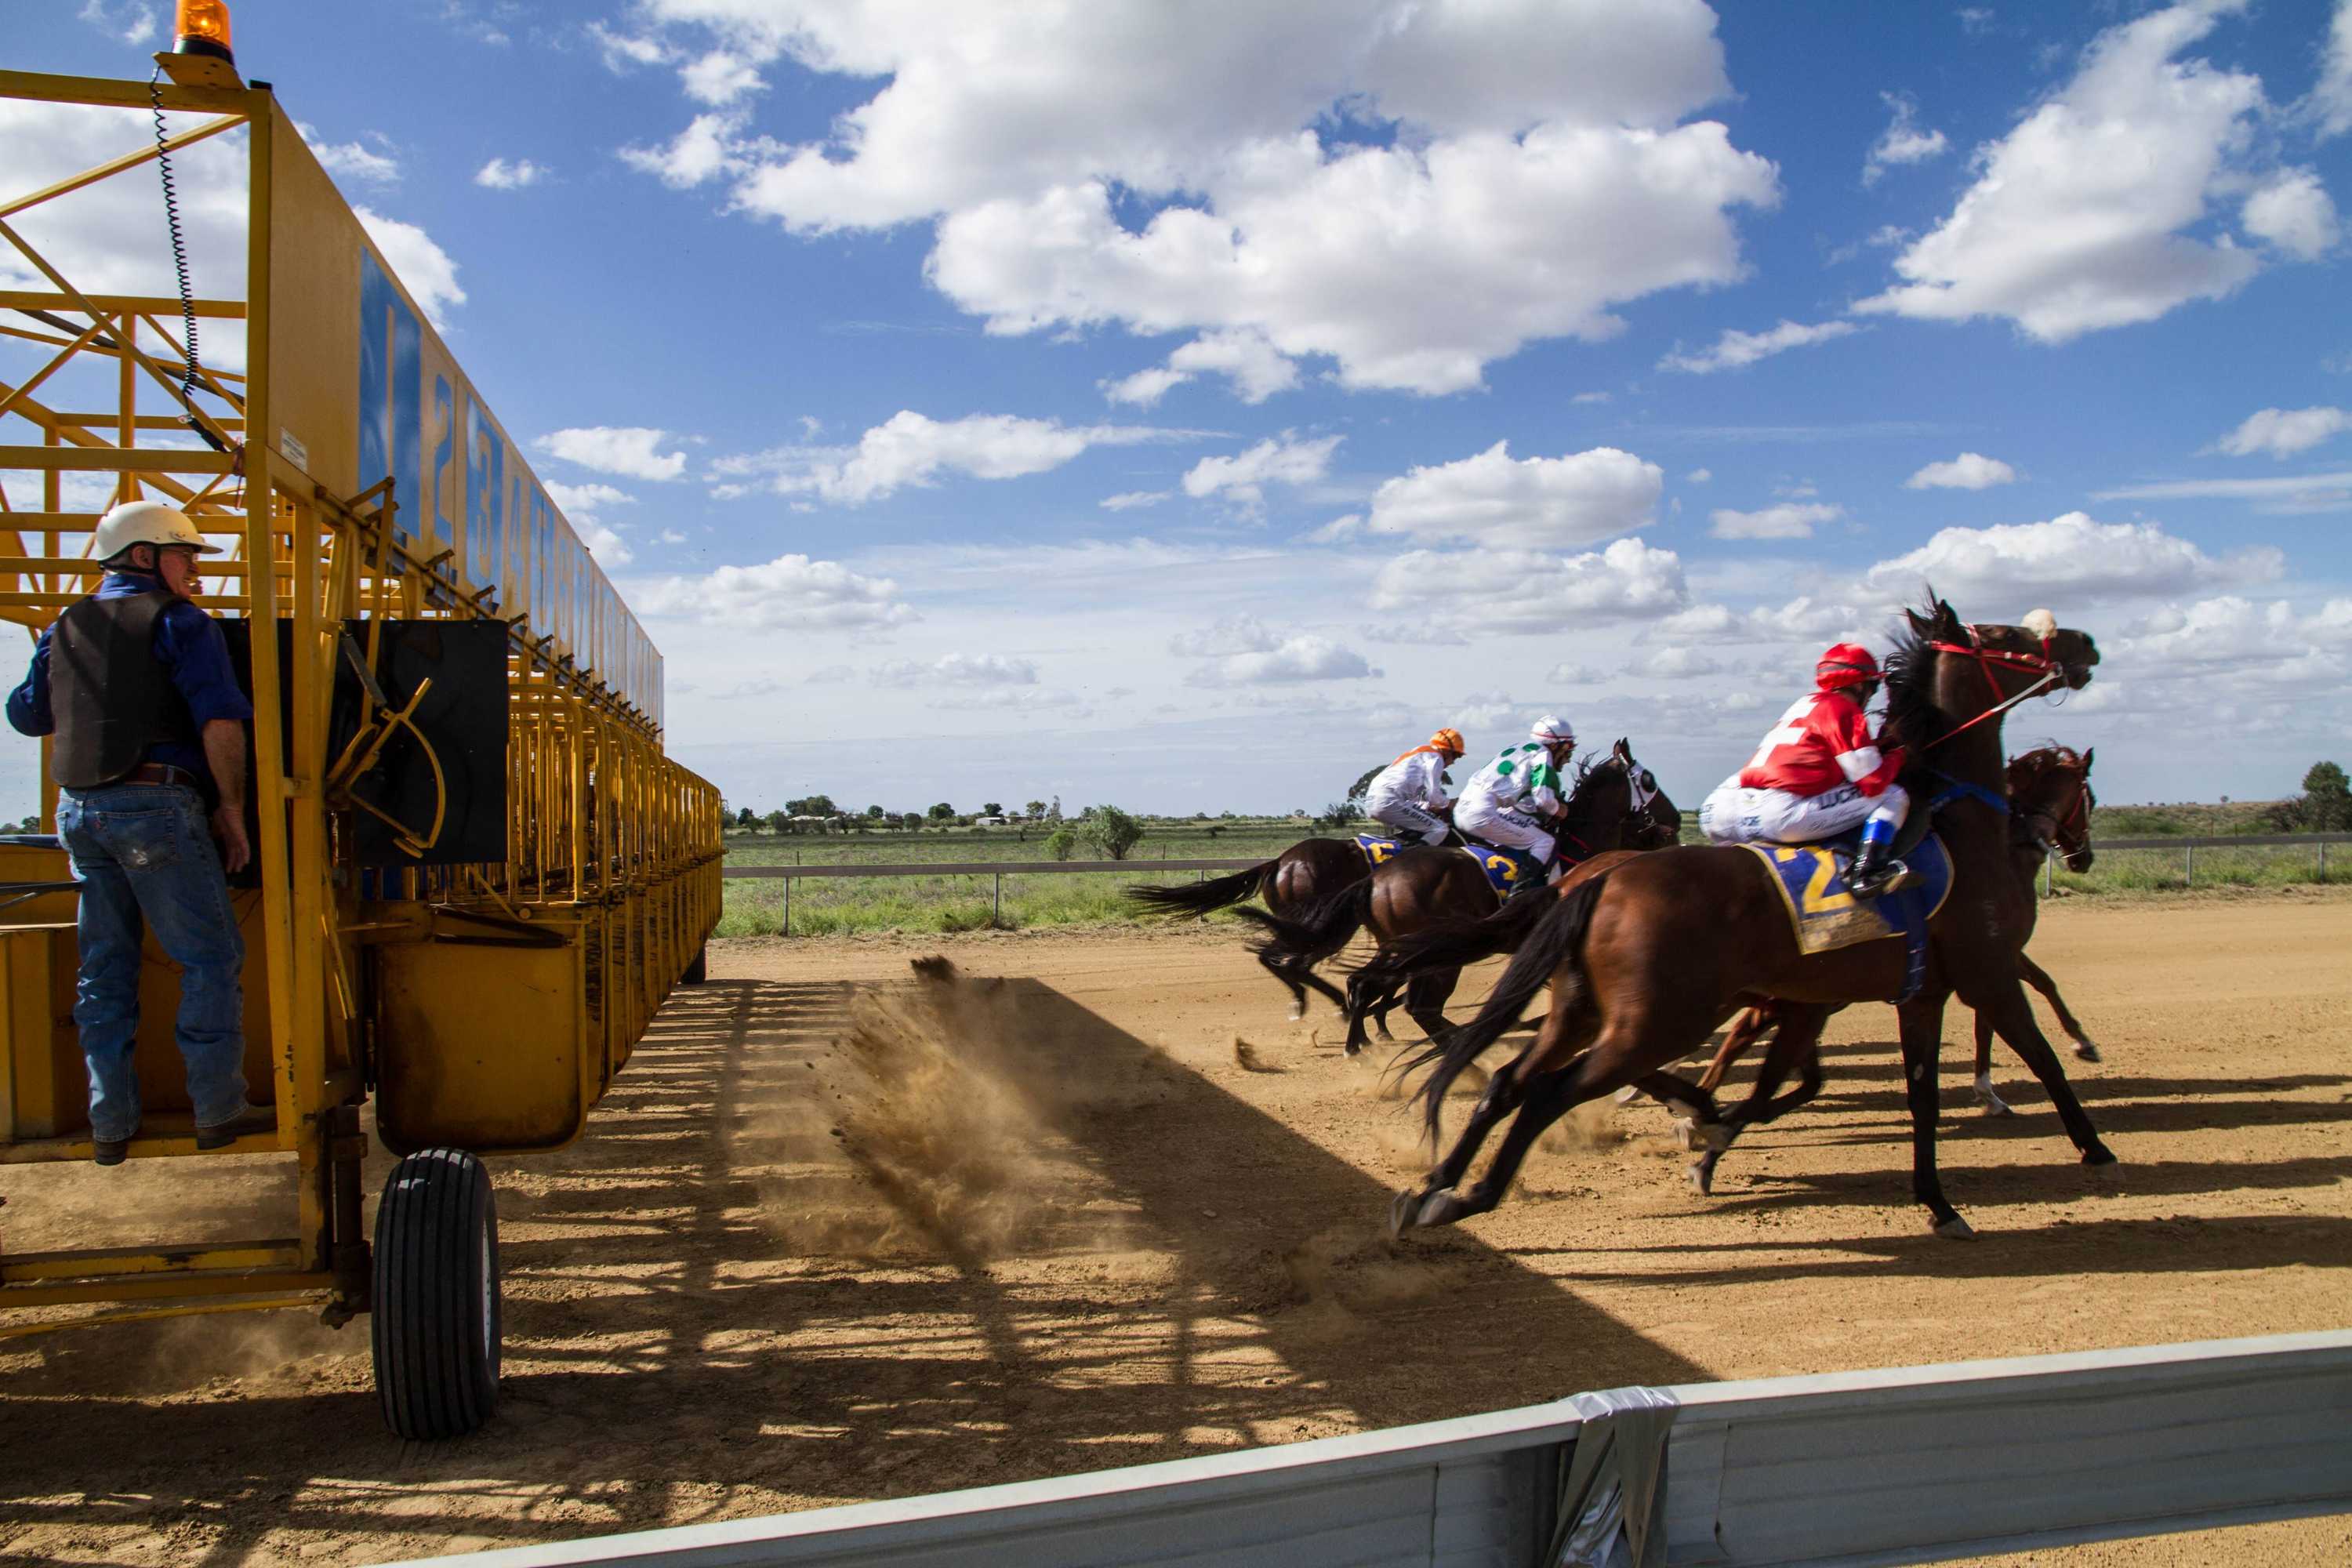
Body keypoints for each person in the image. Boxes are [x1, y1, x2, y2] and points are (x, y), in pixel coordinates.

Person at [6, 499, 270, 1165]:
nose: (196, 572)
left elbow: (27, 716)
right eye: (187, 557)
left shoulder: (64, 626)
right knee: (210, 957)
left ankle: (111, 1120)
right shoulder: (182, 624)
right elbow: (219, 721)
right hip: (156, 805)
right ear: (145, 557)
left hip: (80, 815)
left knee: (106, 970)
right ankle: (217, 1107)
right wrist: (231, 809)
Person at [1699, 641, 1914, 897]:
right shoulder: (1845, 709)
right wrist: (1899, 755)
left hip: (1718, 814)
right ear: (1859, 685)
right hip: (1776, 816)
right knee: (1893, 795)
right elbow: (1873, 782)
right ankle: (1867, 873)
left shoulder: (1804, 704)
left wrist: (1877, 748)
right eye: (1873, 687)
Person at [1454, 714, 1577, 894]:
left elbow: (1523, 798)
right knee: (1545, 841)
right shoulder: (1543, 754)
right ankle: (1519, 897)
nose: (1568, 758)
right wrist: (1560, 810)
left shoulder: (1519, 747)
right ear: (1557, 745)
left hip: (1464, 807)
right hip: (1483, 811)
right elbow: (1543, 799)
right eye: (1568, 751)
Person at [1362, 727, 1465, 846]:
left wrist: (1427, 807)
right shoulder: (1436, 758)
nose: (1453, 762)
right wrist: (1451, 804)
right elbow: (1434, 796)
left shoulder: (1420, 753)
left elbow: (1417, 798)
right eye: (1456, 756)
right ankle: (1413, 856)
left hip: (1372, 802)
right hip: (1389, 800)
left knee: (1417, 830)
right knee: (1440, 829)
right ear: (1447, 751)